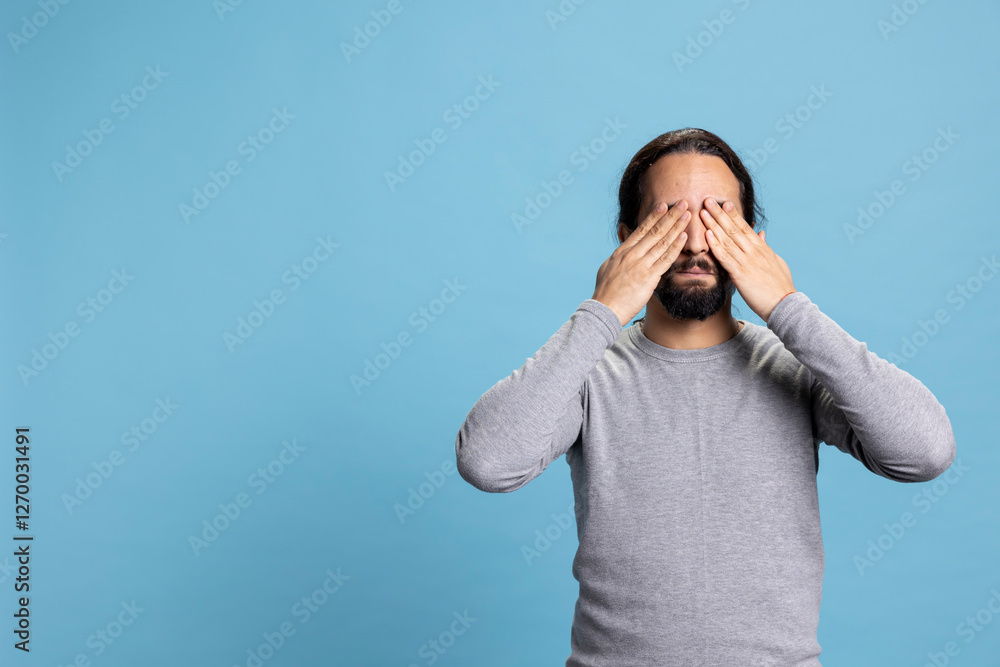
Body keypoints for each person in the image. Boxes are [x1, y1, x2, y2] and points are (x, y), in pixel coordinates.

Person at [454, 127, 956, 666]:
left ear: (752, 240)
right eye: (670, 221)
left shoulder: (797, 365)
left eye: (718, 220)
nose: (695, 245)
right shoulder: (586, 372)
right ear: (627, 240)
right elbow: (488, 462)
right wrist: (602, 312)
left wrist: (789, 308)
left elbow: (924, 453)